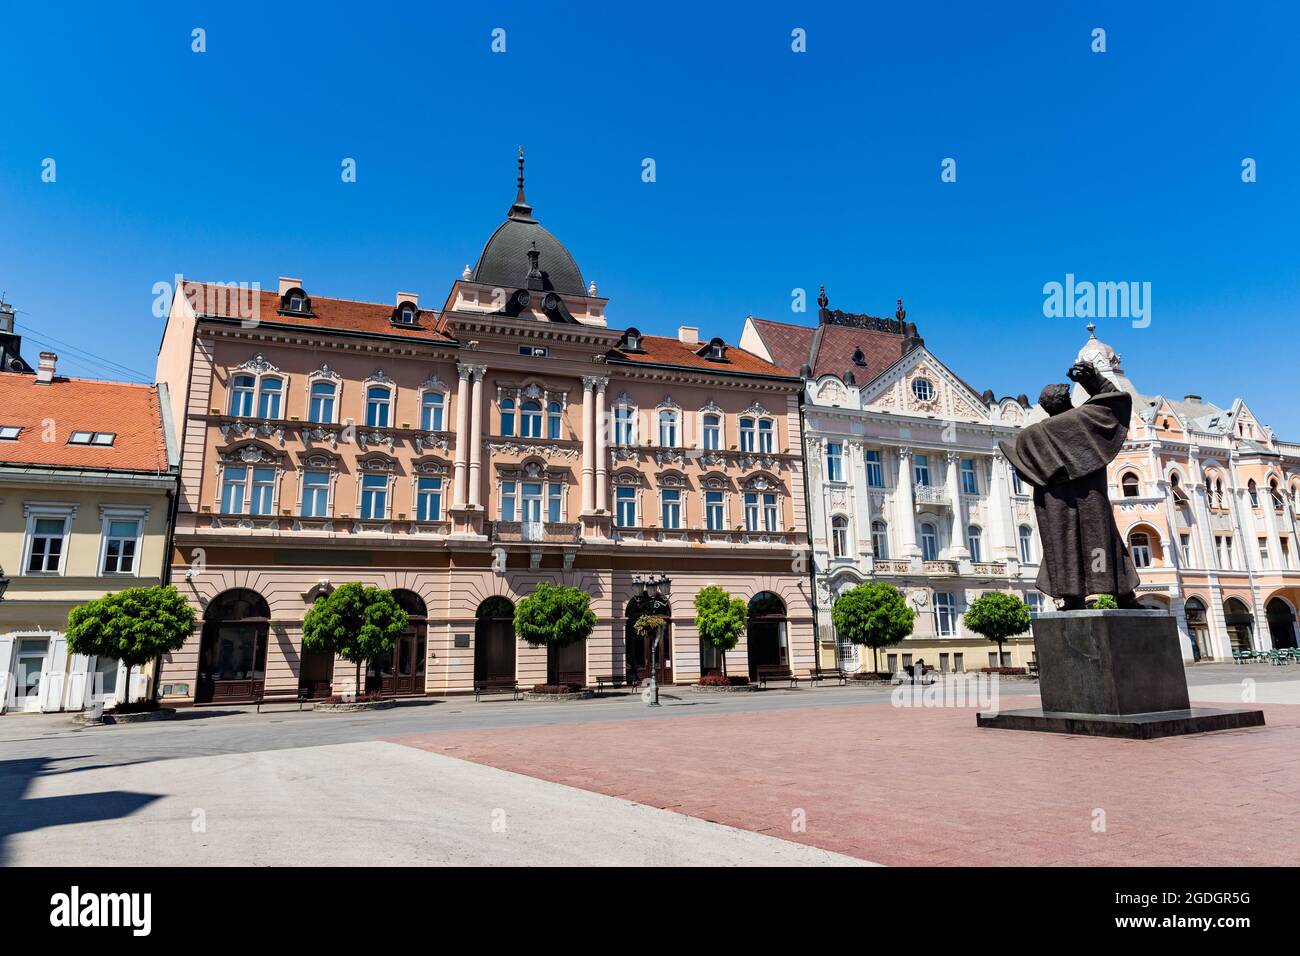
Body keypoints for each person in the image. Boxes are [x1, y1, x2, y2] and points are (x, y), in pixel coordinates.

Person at [999, 361, 1141, 611]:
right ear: (1067, 400)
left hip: (1056, 504)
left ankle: (1073, 598)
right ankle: (1125, 595)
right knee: (1102, 542)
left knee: (1064, 545)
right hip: (1092, 497)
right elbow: (1113, 401)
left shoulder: (1032, 435)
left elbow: (1022, 465)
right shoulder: (1087, 418)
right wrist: (1092, 380)